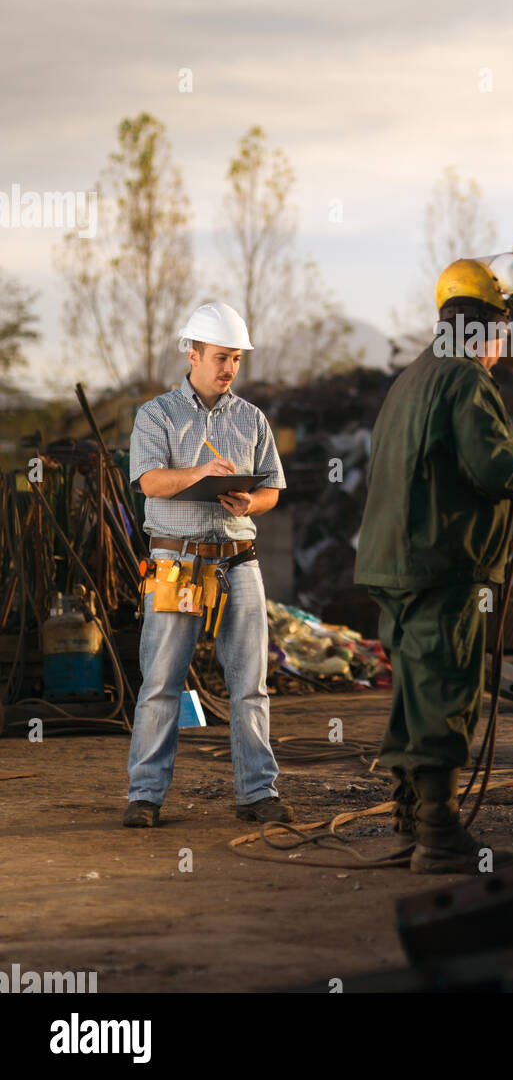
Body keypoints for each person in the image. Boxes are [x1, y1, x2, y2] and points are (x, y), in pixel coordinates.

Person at [354, 255, 513, 873]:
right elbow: (493, 470)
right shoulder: (466, 381)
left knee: (412, 692)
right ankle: (439, 833)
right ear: (486, 325)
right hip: (440, 562)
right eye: (502, 328)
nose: (503, 343)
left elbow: (446, 466)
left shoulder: (413, 377)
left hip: (392, 562)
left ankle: (409, 819)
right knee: (447, 687)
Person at [123, 302, 290, 829]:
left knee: (250, 685)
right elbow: (150, 481)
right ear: (191, 353)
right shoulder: (156, 415)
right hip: (177, 563)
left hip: (238, 561)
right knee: (161, 682)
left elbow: (272, 489)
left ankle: (258, 793)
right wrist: (201, 474)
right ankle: (145, 797)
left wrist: (250, 502)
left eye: (236, 359)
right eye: (221, 357)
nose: (229, 368)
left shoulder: (251, 418)